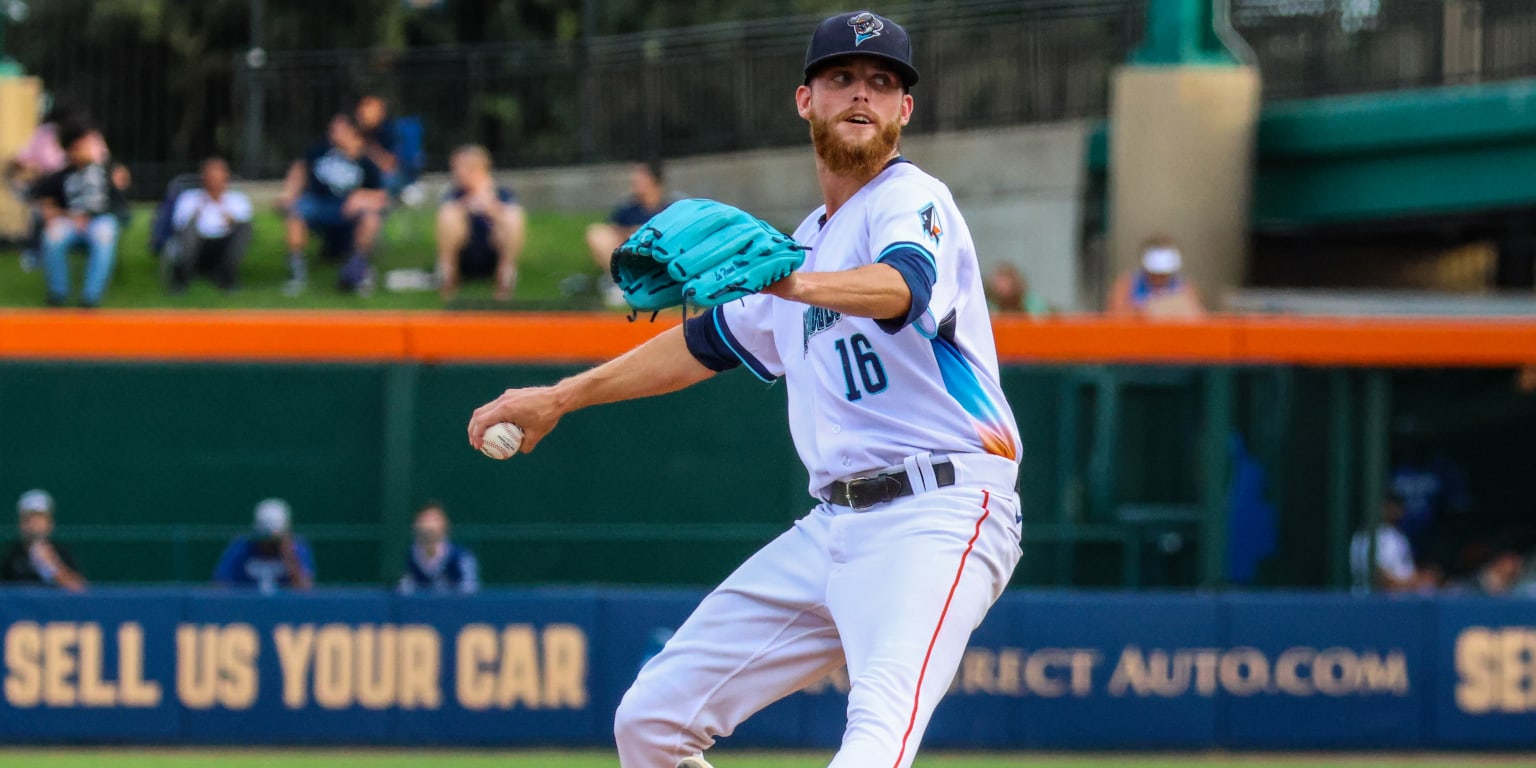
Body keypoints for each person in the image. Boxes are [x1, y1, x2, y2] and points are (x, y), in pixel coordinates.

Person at [468, 12, 1022, 768]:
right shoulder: (801, 243)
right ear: (805, 100)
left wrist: (791, 280)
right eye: (841, 79)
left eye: (881, 83)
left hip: (942, 511)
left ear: (904, 111)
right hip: (835, 526)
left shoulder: (909, 199)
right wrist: (562, 396)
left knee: (874, 741)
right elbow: (703, 343)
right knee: (652, 722)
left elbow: (902, 285)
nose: (861, 94)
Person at [278, 114, 388, 295]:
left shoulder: (366, 161)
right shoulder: (321, 150)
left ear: (351, 132)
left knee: (371, 219)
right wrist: (289, 193)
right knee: (296, 212)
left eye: (338, 130)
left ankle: (357, 270)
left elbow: (381, 196)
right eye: (332, 129)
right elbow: (300, 168)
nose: (333, 133)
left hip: (348, 209)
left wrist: (361, 196)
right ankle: (297, 274)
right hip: (318, 203)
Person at [30, 125, 128, 308]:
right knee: (53, 235)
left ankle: (90, 298)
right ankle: (58, 294)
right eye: (87, 144)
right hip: (70, 222)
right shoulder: (61, 176)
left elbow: (121, 194)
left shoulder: (107, 171)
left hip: (100, 221)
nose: (92, 148)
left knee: (104, 232)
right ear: (73, 148)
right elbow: (42, 202)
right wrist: (67, 215)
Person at [436, 145, 524, 302]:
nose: (455, 173)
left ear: (476, 169)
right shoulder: (454, 194)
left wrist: (491, 209)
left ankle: (505, 278)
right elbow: (447, 214)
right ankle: (448, 277)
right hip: (464, 255)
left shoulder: (502, 193)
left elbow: (513, 221)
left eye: (459, 167)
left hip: (492, 253)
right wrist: (467, 205)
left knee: (511, 217)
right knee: (448, 215)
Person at [586, 160, 671, 304]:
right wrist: (632, 232)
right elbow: (612, 229)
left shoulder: (669, 207)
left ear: (654, 181)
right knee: (596, 232)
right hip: (631, 253)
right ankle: (621, 284)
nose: (635, 181)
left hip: (658, 256)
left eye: (641, 178)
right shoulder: (627, 208)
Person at [166, 157, 253, 292]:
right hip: (197, 244)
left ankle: (227, 276)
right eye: (211, 178)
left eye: (218, 179)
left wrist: (225, 211)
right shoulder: (190, 197)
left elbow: (243, 223)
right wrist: (200, 207)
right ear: (203, 178)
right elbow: (180, 225)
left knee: (244, 228)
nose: (215, 183)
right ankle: (181, 278)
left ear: (226, 177)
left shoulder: (238, 200)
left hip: (224, 244)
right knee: (189, 231)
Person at [213, 498, 315, 594]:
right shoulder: (241, 547)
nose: (269, 542)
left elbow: (305, 591)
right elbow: (221, 587)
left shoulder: (297, 547)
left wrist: (289, 556)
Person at [0, 490, 86, 591]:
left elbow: (81, 590)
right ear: (21, 524)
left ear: (50, 523)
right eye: (29, 519)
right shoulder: (11, 556)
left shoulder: (61, 553)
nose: (34, 525)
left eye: (40, 519)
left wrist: (52, 567)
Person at [1350, 495, 1433, 593]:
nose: (1396, 511)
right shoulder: (1366, 535)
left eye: (1398, 507)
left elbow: (1406, 570)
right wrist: (1411, 584)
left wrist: (1422, 578)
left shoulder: (1397, 535)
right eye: (1391, 507)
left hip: (1401, 598)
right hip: (1372, 600)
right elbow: (1379, 576)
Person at [1107, 235, 1205, 319]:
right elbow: (1113, 316)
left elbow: (1199, 318)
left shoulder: (1184, 287)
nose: (1160, 274)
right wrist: (1144, 313)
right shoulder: (1127, 283)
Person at [397, 502, 480, 594]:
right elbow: (404, 590)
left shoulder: (461, 557)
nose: (429, 526)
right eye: (424, 520)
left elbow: (470, 591)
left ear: (445, 525)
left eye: (434, 520)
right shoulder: (410, 556)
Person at [355, 94, 404, 194]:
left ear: (382, 113)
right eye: (362, 107)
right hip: (354, 177)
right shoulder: (351, 130)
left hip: (380, 180)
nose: (363, 112)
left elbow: (389, 166)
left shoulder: (389, 132)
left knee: (390, 178)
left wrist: (365, 146)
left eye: (369, 107)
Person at [985, 262, 1050, 318]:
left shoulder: (1029, 301)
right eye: (999, 281)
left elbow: (1042, 318)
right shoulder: (989, 303)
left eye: (1006, 280)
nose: (1002, 285)